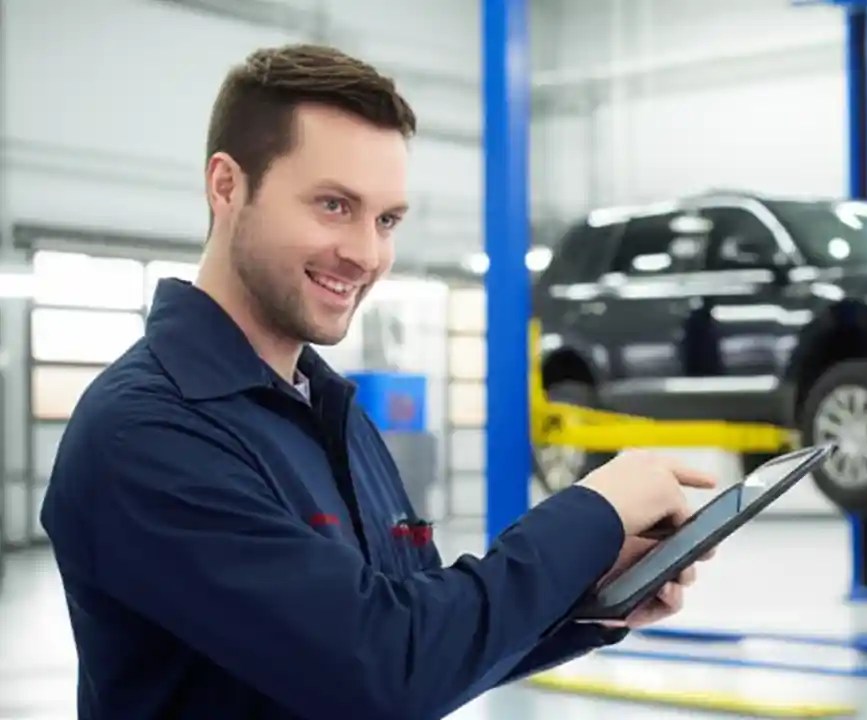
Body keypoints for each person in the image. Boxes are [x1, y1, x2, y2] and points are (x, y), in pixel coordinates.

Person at [39, 43, 717, 720]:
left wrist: (588, 596)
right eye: (334, 206)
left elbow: (431, 640)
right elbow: (383, 669)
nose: (366, 253)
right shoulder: (147, 432)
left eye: (386, 219)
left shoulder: (331, 412)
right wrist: (591, 515)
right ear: (226, 185)